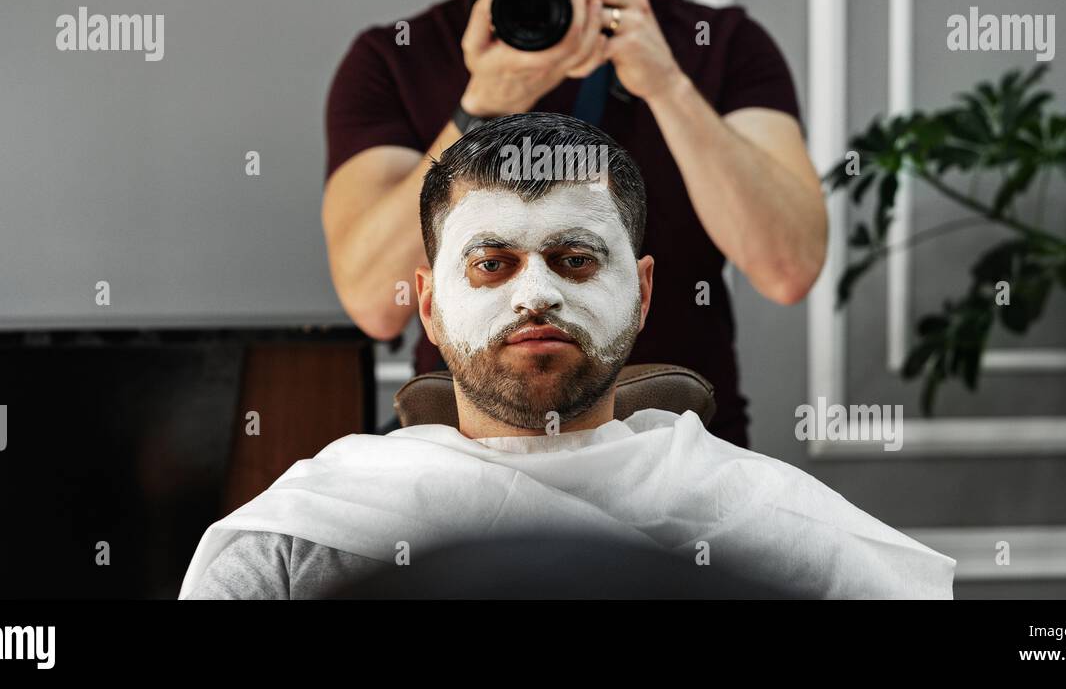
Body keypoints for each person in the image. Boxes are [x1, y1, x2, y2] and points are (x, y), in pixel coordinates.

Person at [181, 114, 954, 599]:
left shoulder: (777, 527)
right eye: (492, 264)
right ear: (429, 306)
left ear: (643, 293)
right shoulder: (297, 538)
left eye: (576, 259)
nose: (535, 296)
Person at [322, 0, 826, 449]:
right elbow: (375, 303)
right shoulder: (392, 59)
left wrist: (668, 86)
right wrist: (479, 106)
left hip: (675, 460)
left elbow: (789, 267)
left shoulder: (721, 46)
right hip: (467, 462)